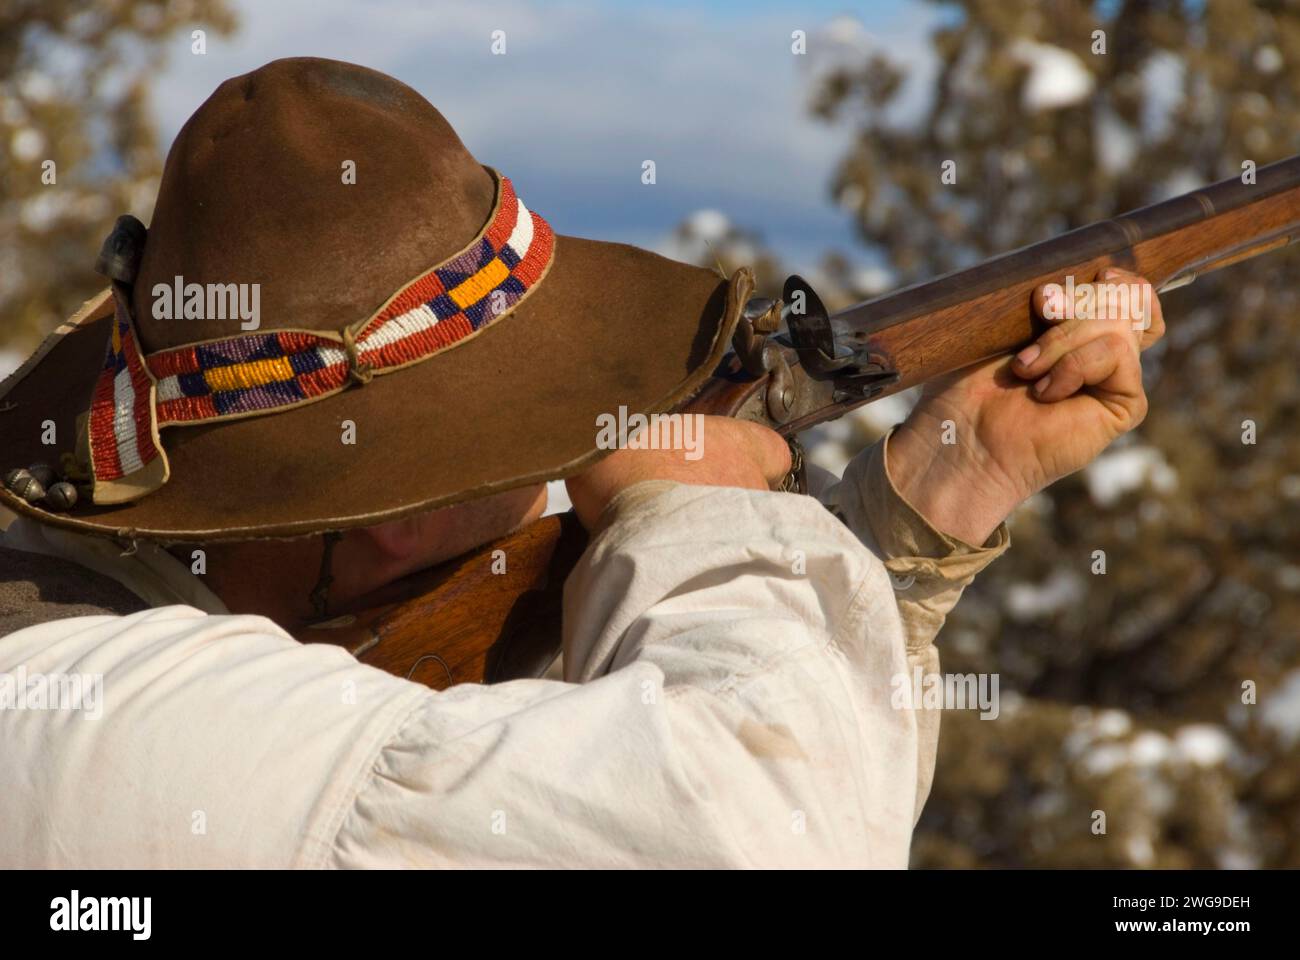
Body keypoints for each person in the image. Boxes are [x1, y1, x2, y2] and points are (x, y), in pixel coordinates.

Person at [0, 58, 1163, 867]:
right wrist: (705, 519)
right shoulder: (100, 717)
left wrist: (914, 519)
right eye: (535, 432)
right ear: (399, 518)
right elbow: (760, 833)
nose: (560, 472)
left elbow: (773, 786)